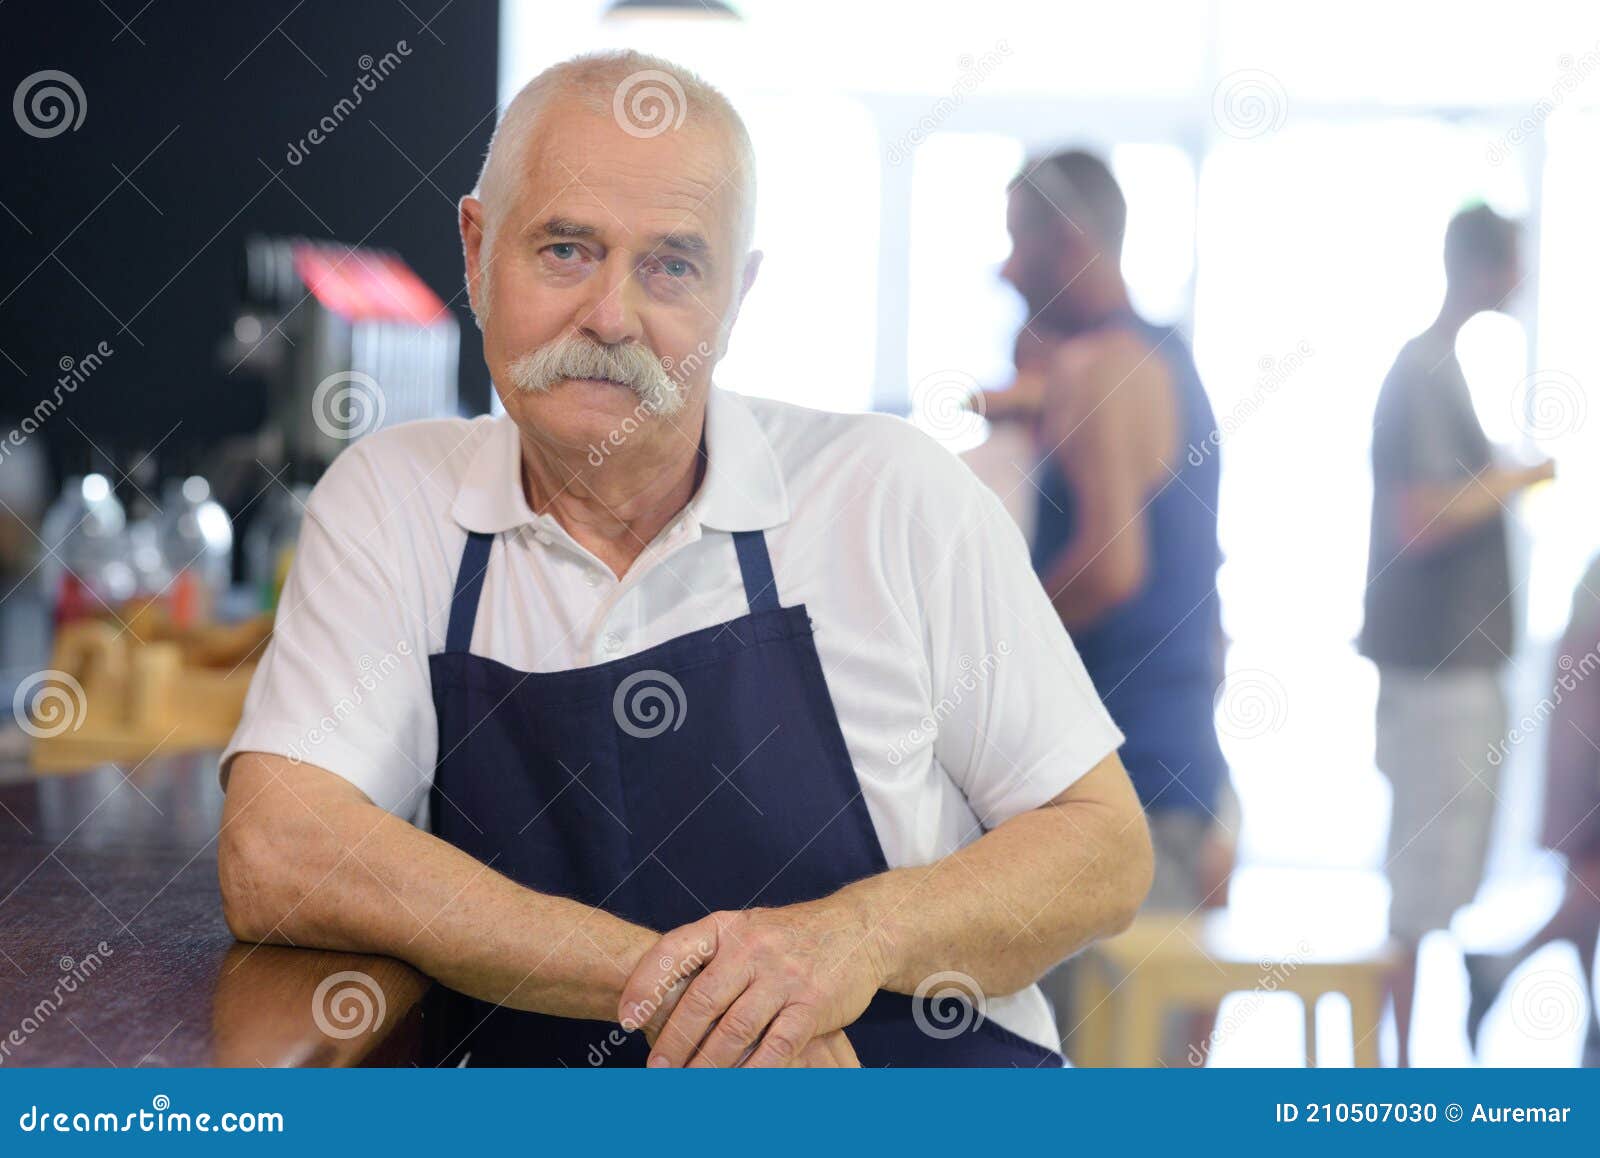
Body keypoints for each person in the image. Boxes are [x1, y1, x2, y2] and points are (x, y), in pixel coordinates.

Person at [216, 51, 1153, 1068]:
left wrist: (849, 940)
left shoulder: (891, 494)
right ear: (477, 250)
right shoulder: (395, 502)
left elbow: (1102, 846)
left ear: (735, 299)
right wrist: (713, 998)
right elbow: (281, 849)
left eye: (671, 265)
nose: (611, 316)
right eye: (566, 249)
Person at [980, 150, 1229, 1063]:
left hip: (1117, 786)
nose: (1006, 270)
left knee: (1099, 1077)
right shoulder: (1155, 355)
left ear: (1070, 241)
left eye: (1017, 243)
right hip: (1169, 773)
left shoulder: (1096, 366)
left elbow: (1110, 568)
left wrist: (983, 664)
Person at [1359, 203, 1552, 1067]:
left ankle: (1412, 1069)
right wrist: (1517, 478)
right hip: (1434, 675)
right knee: (1417, 892)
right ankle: (1398, 1079)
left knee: (1440, 887)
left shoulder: (1442, 369)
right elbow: (1421, 516)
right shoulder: (1423, 369)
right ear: (1488, 265)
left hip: (1455, 670)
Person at [1465, 555, 1600, 1065]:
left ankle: (1587, 1017)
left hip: (1581, 700)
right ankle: (1500, 965)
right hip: (1589, 705)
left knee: (1583, 879)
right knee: (1588, 878)